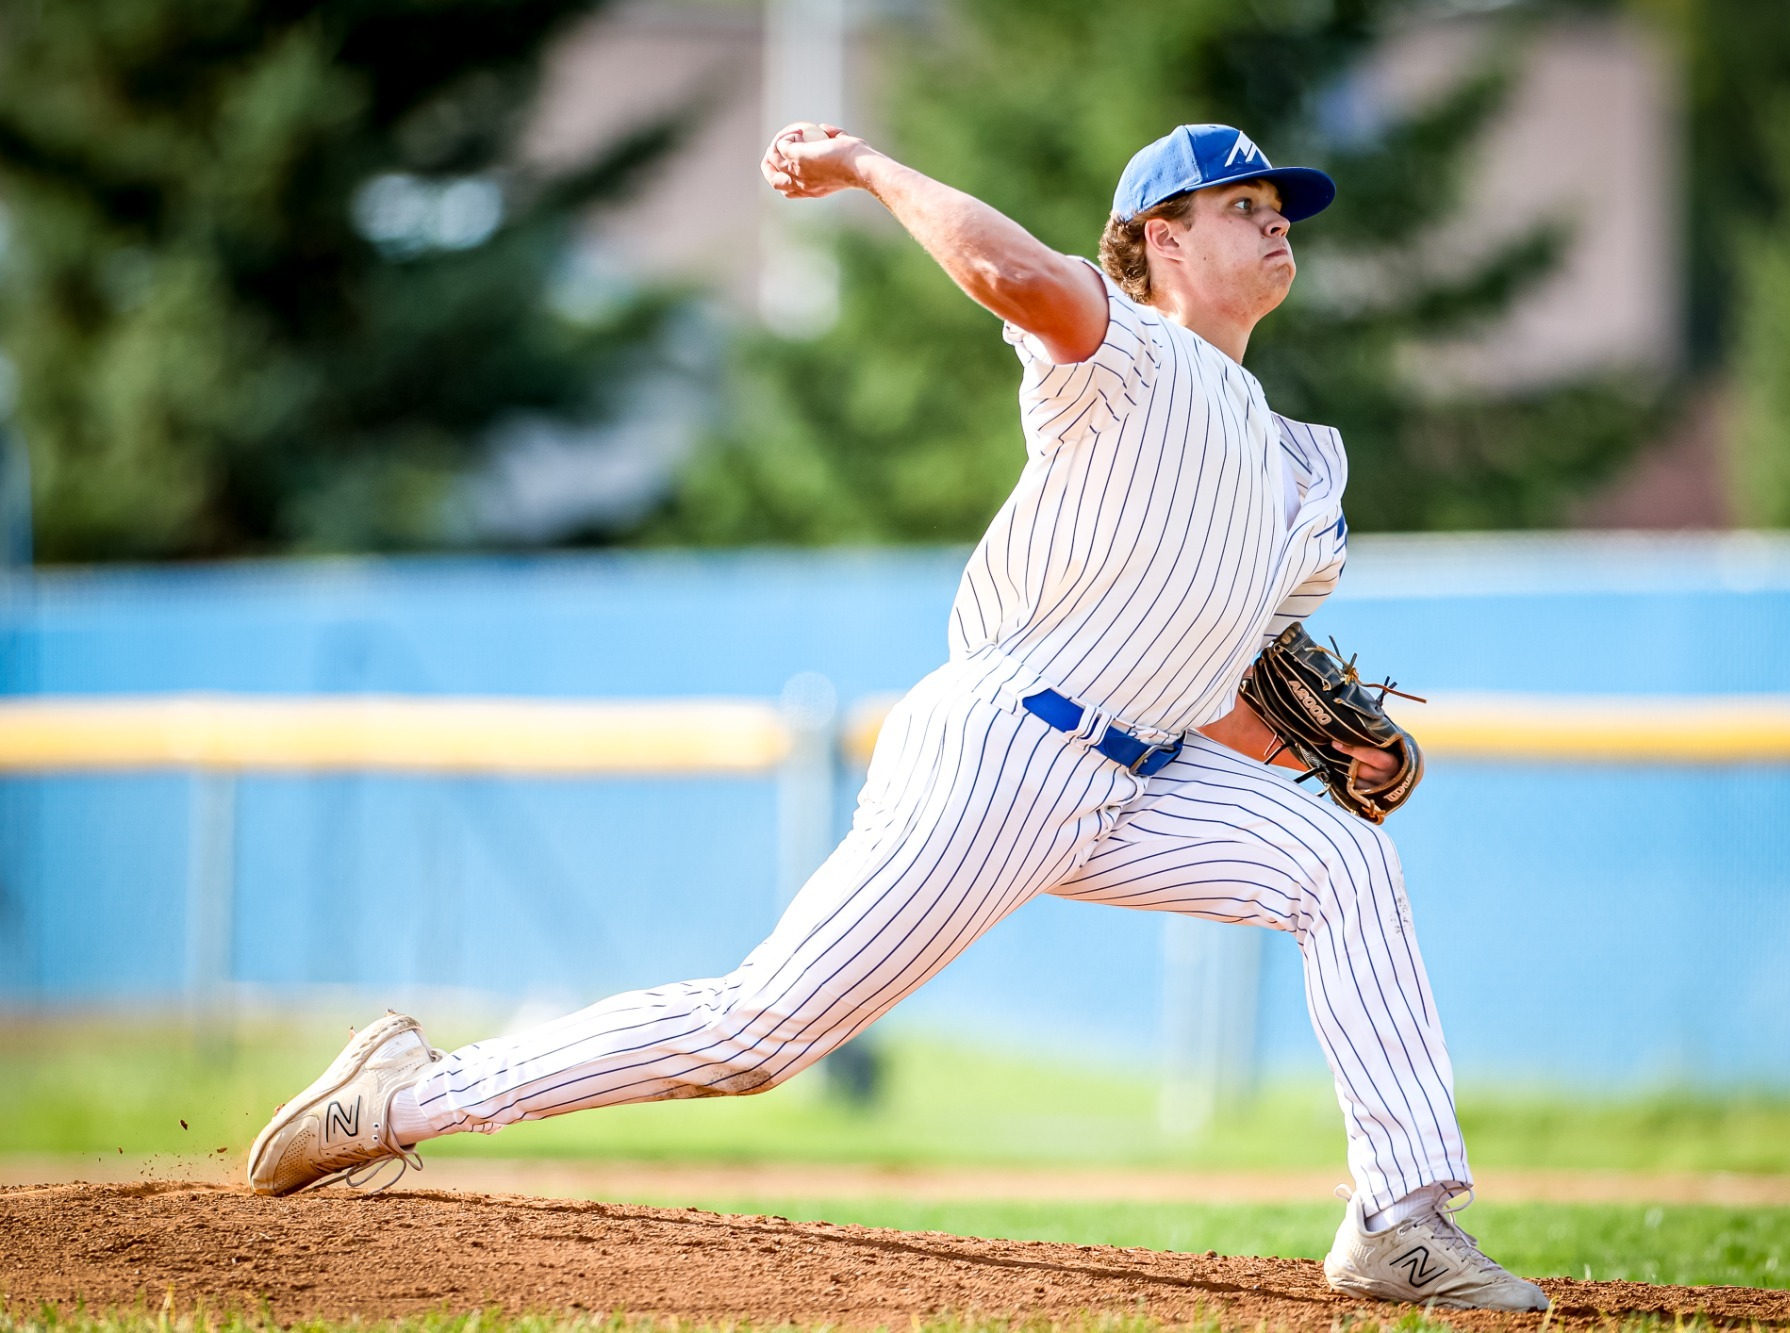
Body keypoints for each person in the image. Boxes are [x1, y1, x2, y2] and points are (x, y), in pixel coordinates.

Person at [247, 121, 1548, 1313]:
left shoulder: (1299, 465)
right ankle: (402, 1097)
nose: (1276, 225)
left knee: (1340, 860)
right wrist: (868, 167)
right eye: (1243, 205)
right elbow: (1005, 273)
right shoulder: (1126, 354)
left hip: (1136, 777)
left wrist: (1334, 750)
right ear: (1160, 238)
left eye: (1282, 210)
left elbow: (1214, 683)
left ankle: (1397, 1219)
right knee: (756, 1033)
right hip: (1006, 746)